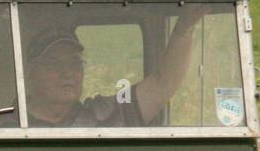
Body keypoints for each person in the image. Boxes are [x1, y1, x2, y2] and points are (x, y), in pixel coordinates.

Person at [18, 7, 209, 128]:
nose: (68, 73)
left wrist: (184, 29)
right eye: (54, 64)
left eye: (75, 63)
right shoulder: (8, 128)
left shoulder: (104, 115)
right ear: (30, 73)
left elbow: (162, 86)